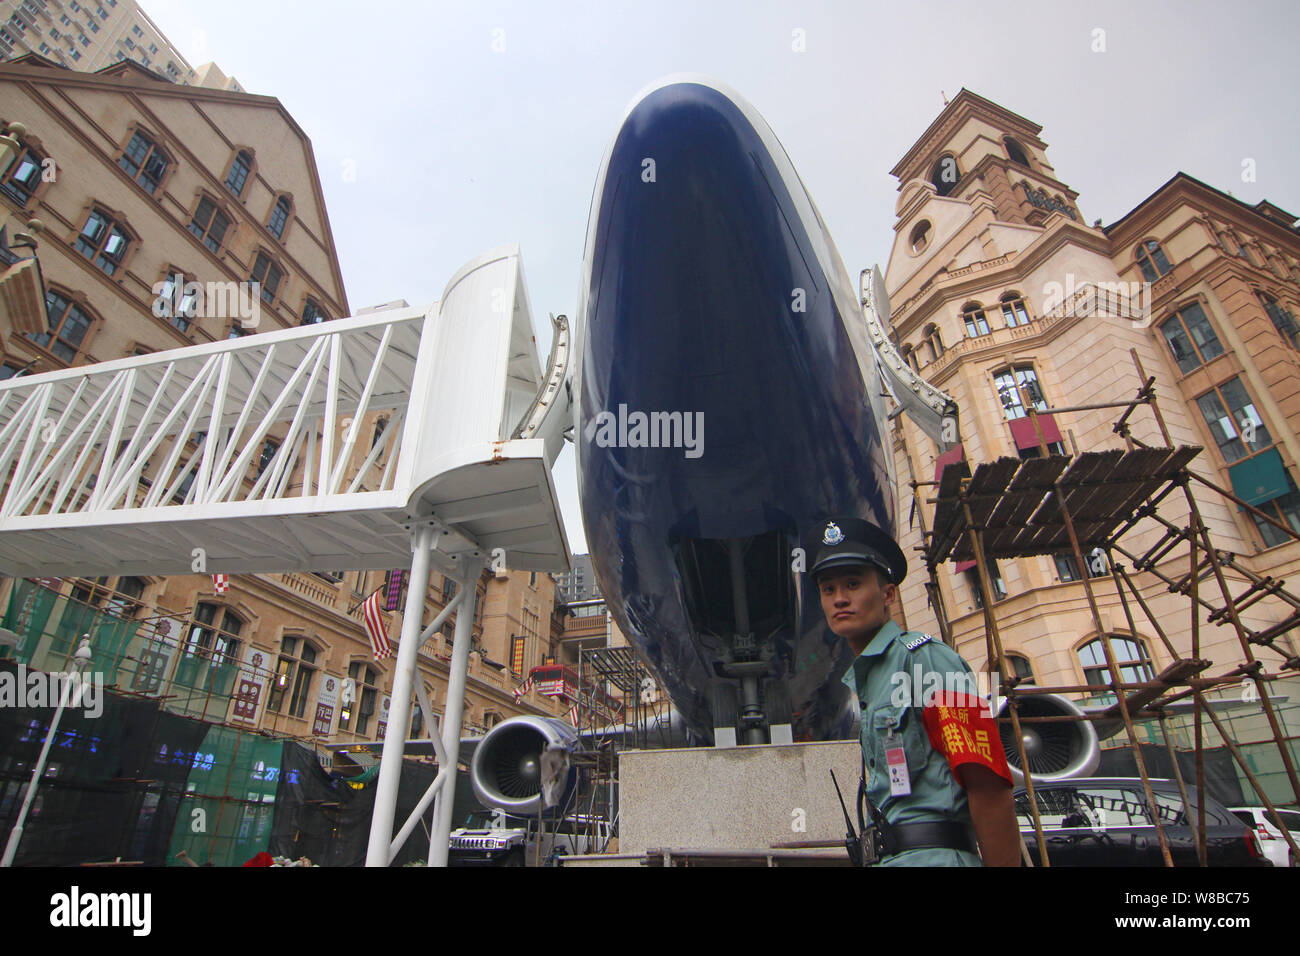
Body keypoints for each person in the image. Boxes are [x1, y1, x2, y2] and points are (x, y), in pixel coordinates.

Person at [809, 515, 1020, 866]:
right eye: (828, 590)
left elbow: (988, 784)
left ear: (888, 593)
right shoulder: (869, 679)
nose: (839, 599)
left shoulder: (927, 661)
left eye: (852, 584)